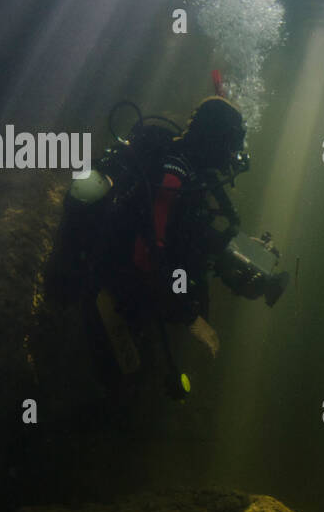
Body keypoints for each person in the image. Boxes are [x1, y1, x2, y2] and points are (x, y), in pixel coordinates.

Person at [46, 95, 288, 391]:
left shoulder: (184, 169)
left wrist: (234, 248)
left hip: (123, 265)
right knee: (117, 388)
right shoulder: (174, 175)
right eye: (233, 142)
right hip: (110, 278)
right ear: (215, 140)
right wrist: (189, 315)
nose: (235, 153)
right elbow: (148, 254)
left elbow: (186, 230)